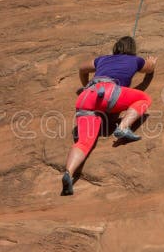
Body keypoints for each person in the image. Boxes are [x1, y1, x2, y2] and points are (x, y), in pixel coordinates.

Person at [61, 36, 157, 196]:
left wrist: (86, 85)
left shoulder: (102, 59)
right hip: (107, 93)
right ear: (132, 49)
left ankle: (68, 173)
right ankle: (123, 127)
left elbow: (82, 68)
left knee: (84, 143)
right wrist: (152, 63)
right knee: (144, 98)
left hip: (86, 97)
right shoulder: (135, 60)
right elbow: (148, 69)